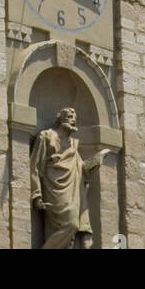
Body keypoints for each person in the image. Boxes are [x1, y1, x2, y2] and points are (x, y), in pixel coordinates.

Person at [30, 106, 106, 249]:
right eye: (70, 118)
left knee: (70, 236)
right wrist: (36, 194)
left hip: (72, 192)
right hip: (53, 190)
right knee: (71, 224)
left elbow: (81, 170)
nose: (73, 121)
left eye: (75, 119)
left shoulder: (73, 145)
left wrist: (96, 160)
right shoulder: (46, 136)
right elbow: (35, 165)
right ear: (61, 119)